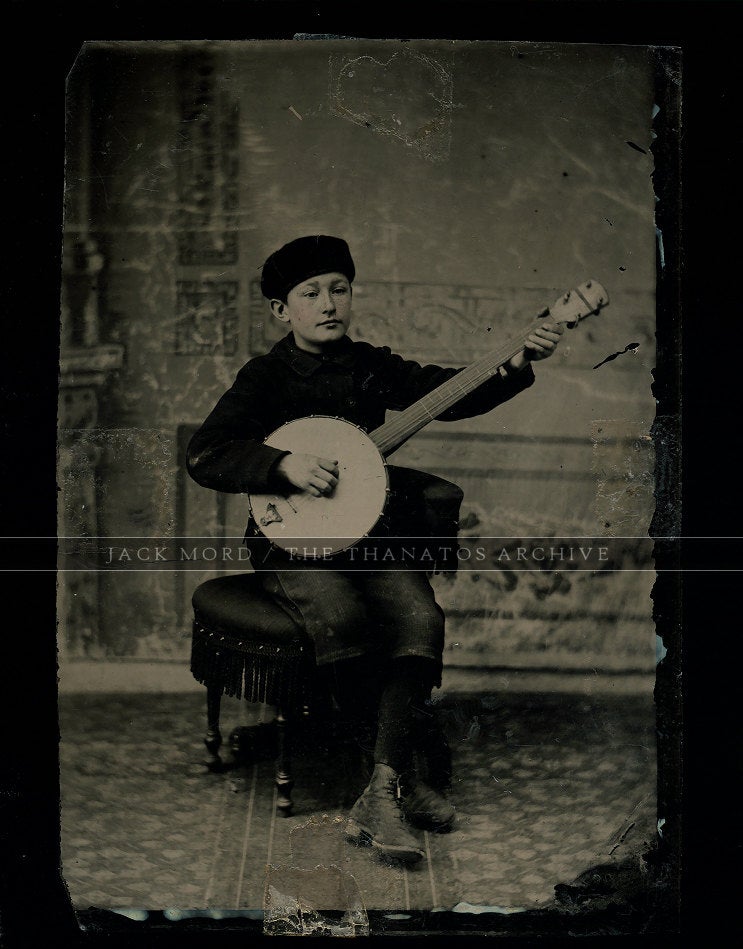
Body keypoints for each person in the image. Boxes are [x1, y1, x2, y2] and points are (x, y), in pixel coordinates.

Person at [187, 235, 564, 864]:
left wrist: (519, 361)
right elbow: (207, 453)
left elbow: (449, 392)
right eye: (310, 294)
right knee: (343, 617)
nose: (328, 303)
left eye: (340, 289)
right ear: (283, 311)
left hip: (369, 534)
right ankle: (398, 778)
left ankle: (384, 783)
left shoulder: (369, 363)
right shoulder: (265, 377)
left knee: (421, 617)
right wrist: (283, 465)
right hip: (295, 543)